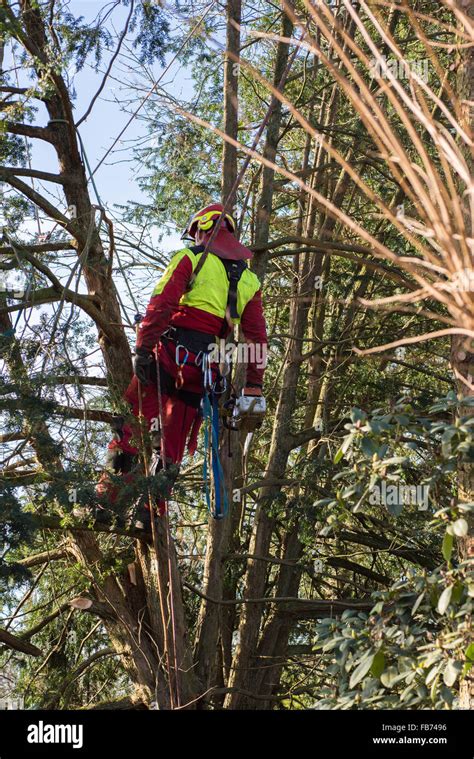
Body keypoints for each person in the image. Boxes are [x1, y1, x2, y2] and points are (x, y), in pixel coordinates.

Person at [95, 203, 267, 529]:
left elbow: (162, 304)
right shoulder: (248, 282)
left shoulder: (190, 259)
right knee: (171, 448)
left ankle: (106, 504)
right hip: (204, 375)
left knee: (129, 426)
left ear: (202, 229)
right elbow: (257, 339)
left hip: (167, 358)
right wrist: (253, 385)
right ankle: (149, 516)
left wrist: (144, 348)